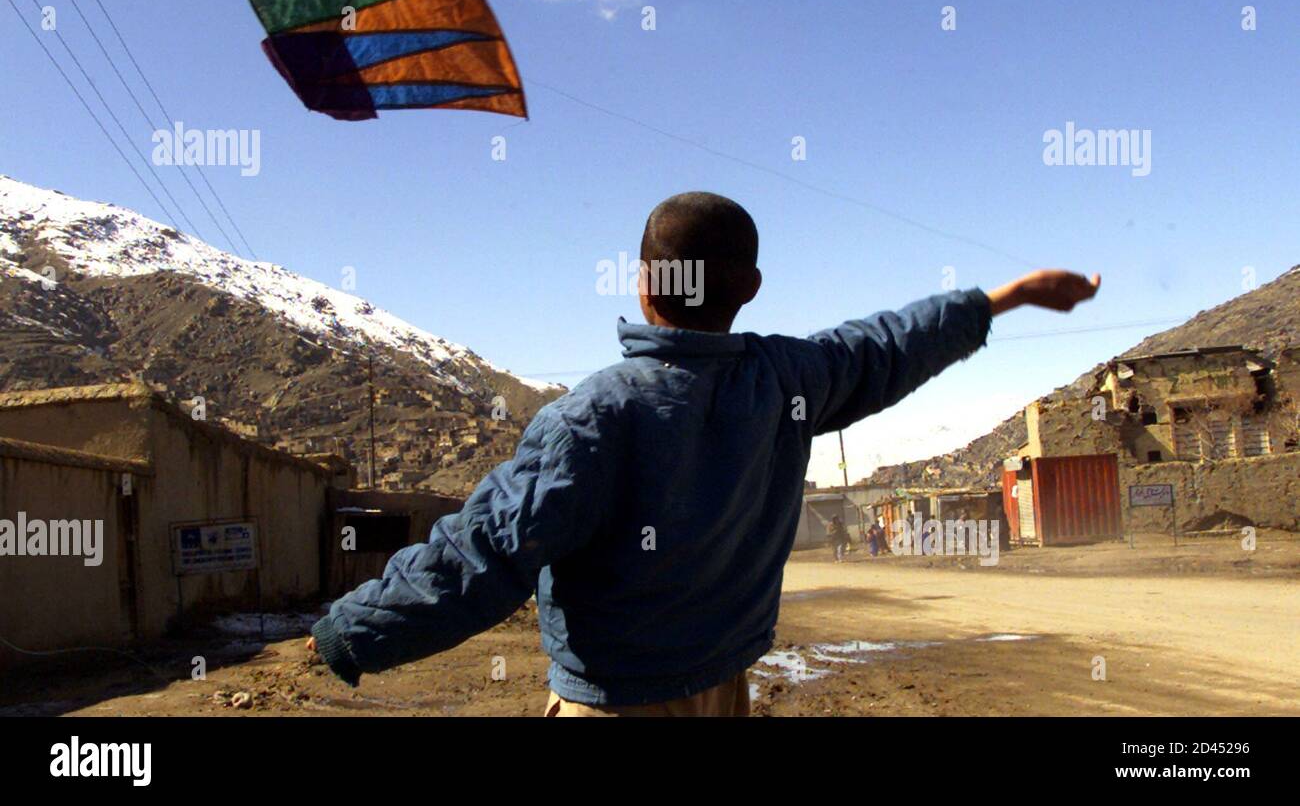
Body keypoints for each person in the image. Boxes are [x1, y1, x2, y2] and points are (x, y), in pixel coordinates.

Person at [307, 191, 1100, 716]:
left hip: (613, 705)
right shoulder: (788, 379)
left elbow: (480, 557)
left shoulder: (593, 416)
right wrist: (1009, 295)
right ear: (749, 287)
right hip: (726, 692)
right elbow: (891, 344)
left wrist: (352, 630)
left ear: (643, 283)